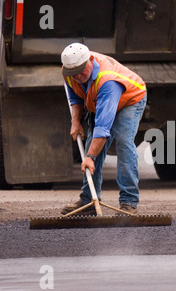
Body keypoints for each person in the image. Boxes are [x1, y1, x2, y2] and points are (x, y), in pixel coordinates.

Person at [60, 43, 146, 216]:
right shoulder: (70, 70)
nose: (77, 76)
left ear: (90, 61)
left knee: (123, 142)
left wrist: (90, 158)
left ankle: (129, 202)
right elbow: (75, 96)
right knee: (91, 145)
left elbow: (103, 128)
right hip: (96, 99)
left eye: (81, 71)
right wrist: (75, 122)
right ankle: (89, 199)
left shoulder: (108, 81)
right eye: (73, 73)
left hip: (129, 99)